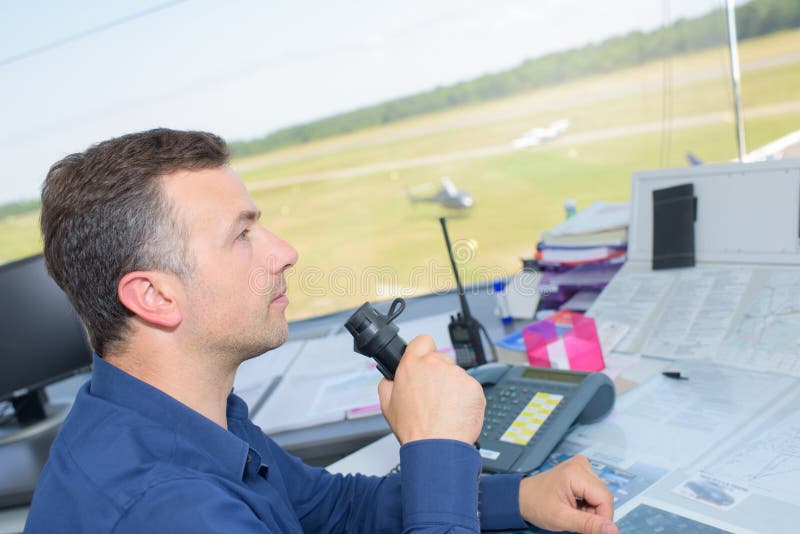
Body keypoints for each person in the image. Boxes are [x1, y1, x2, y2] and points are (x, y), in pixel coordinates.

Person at [25, 128, 617, 533]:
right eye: (243, 236)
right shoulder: (172, 510)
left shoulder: (178, 416)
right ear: (155, 296)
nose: (285, 252)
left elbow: (329, 511)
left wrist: (520, 497)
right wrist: (439, 447)